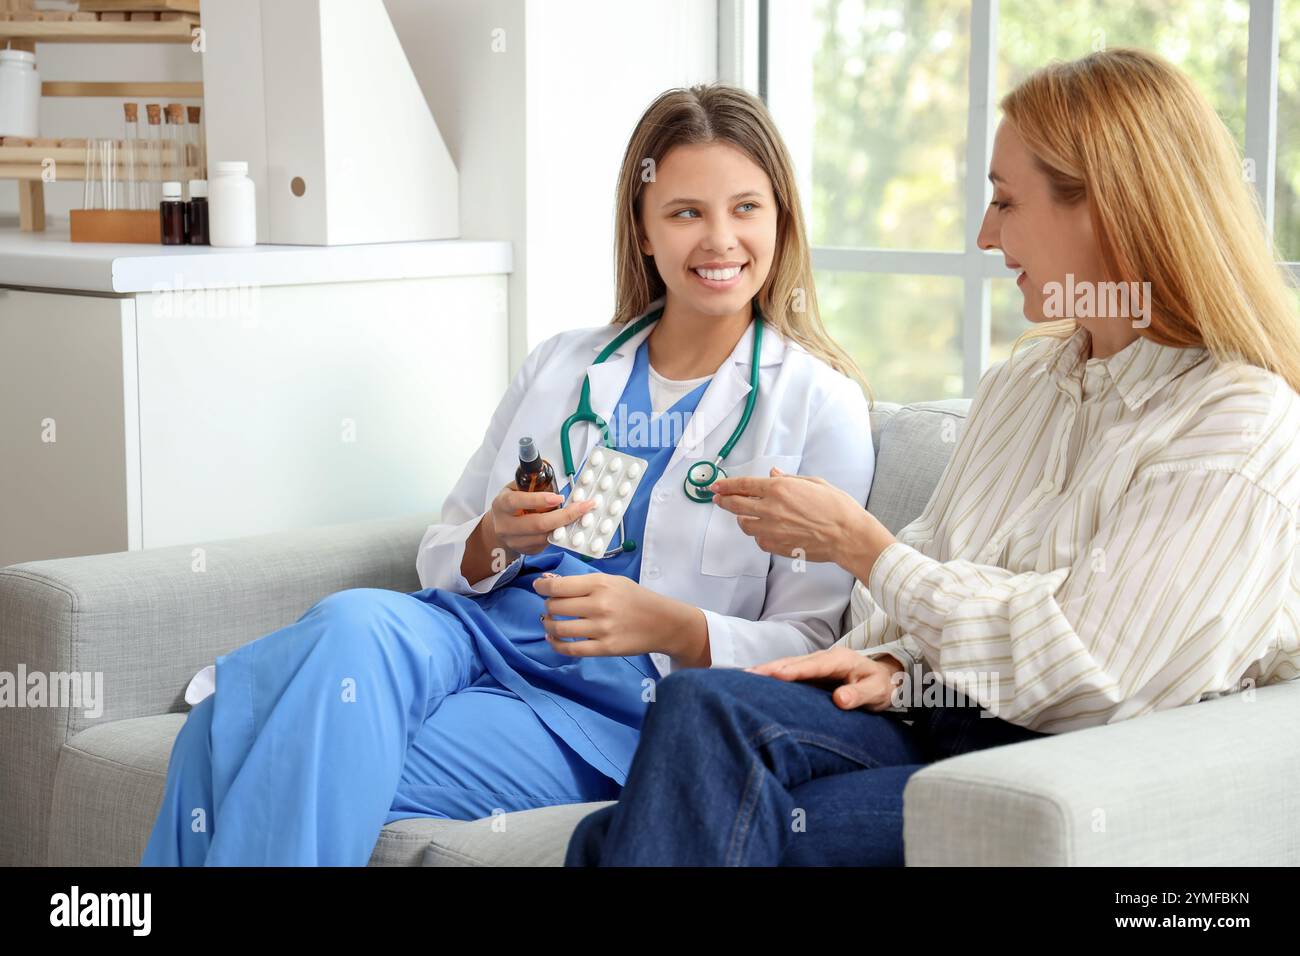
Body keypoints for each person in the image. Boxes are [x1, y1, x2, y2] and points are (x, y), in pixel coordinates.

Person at [566, 48, 1300, 866]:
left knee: (628, 837)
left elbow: (1095, 671)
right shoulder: (1026, 383)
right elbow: (912, 593)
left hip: (1061, 766)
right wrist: (900, 658)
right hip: (933, 712)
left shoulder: (1237, 417)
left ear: (1106, 209)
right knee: (701, 708)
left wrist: (864, 549)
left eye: (1005, 202)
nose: (986, 235)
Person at [140, 84, 874, 866]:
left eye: (746, 209)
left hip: (607, 709)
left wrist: (670, 626)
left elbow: (812, 645)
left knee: (234, 735)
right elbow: (443, 552)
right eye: (686, 211)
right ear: (644, 228)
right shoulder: (564, 362)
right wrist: (493, 538)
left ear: (782, 219)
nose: (719, 239)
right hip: (470, 633)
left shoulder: (817, 405)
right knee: (355, 619)